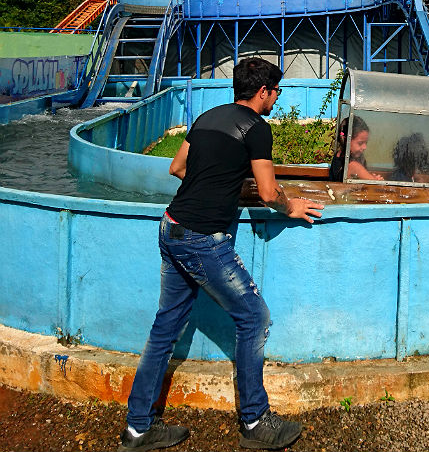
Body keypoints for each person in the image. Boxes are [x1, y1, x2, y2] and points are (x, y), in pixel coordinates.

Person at [119, 57, 324, 452]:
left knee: (165, 328)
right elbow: (269, 193)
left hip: (171, 226)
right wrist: (292, 206)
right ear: (262, 92)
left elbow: (177, 168)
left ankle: (138, 428)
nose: (276, 99)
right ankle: (255, 421)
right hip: (202, 239)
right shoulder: (257, 128)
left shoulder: (207, 117)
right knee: (254, 317)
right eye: (275, 92)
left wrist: (220, 184)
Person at [328, 116, 383, 181]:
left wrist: (370, 176)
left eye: (366, 142)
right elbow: (375, 183)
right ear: (346, 140)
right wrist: (375, 179)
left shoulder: (357, 159)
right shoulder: (353, 166)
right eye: (360, 143)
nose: (365, 147)